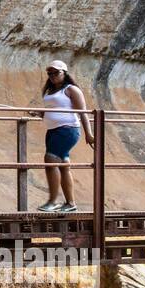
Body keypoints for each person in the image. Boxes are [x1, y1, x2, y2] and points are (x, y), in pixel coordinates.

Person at [37, 60, 95, 213]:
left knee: (50, 160)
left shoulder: (71, 89)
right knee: (63, 164)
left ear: (64, 73)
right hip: (52, 130)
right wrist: (40, 113)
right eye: (50, 73)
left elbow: (83, 112)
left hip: (67, 129)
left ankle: (52, 201)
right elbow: (52, 110)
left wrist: (89, 134)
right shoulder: (50, 91)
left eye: (56, 72)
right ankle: (70, 203)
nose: (52, 76)